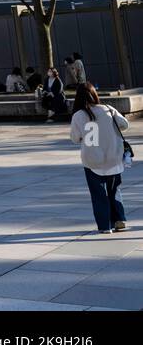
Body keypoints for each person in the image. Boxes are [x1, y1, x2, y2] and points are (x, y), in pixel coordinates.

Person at [69, 83, 129, 233]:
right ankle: (119, 219)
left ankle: (104, 226)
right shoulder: (108, 109)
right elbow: (124, 124)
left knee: (98, 194)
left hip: (92, 160)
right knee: (114, 190)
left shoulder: (78, 115)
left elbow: (75, 138)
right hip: (114, 157)